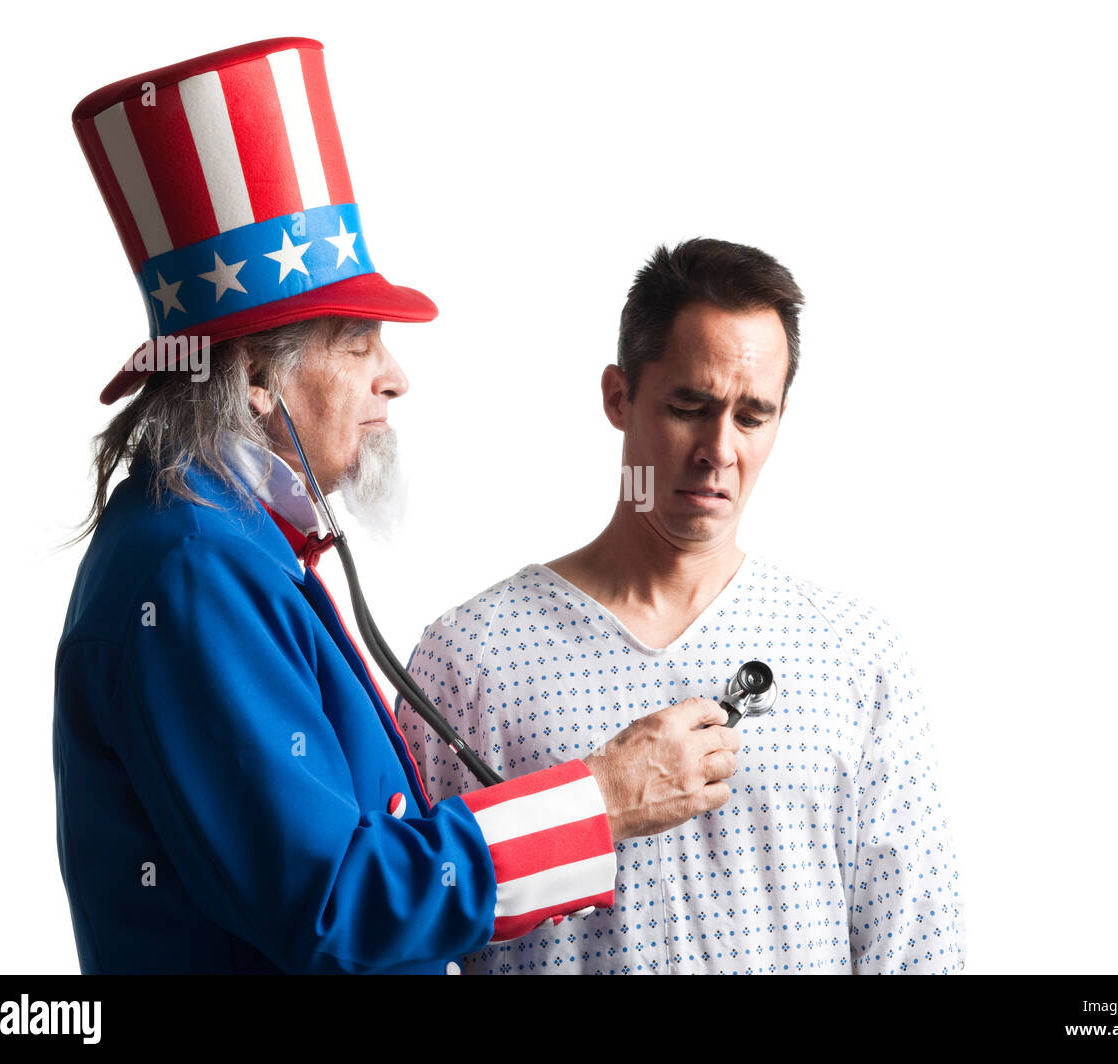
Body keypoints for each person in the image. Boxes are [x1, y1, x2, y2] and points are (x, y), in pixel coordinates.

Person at [54, 38, 740, 976]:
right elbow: (333, 906)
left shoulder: (230, 545)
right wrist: (602, 799)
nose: (395, 378)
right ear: (256, 372)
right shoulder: (192, 566)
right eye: (357, 343)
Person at [400, 238, 967, 974]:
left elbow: (916, 940)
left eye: (752, 416)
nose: (718, 449)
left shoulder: (855, 656)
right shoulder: (471, 659)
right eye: (689, 407)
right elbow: (408, 920)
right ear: (618, 396)